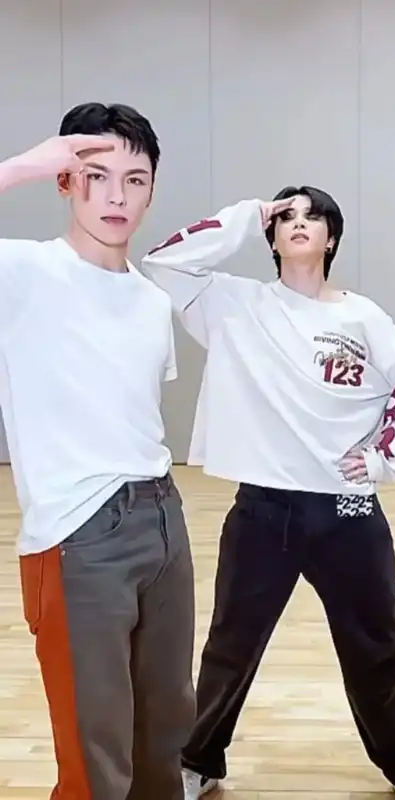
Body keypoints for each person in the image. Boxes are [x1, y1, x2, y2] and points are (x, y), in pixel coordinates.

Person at [139, 185, 395, 799]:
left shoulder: (362, 317)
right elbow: (163, 262)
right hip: (263, 510)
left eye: (313, 216)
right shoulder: (233, 304)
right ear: (272, 238)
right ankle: (199, 762)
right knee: (231, 644)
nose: (299, 223)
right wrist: (246, 217)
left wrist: (383, 458)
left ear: (331, 239)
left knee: (377, 643)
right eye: (286, 216)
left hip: (347, 511)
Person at [0, 103, 195, 800]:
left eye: (134, 180)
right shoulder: (22, 270)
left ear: (151, 190)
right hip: (78, 533)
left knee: (165, 739)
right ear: (64, 181)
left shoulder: (149, 300)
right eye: (95, 176)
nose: (117, 196)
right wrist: (23, 166)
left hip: (163, 517)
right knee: (95, 757)